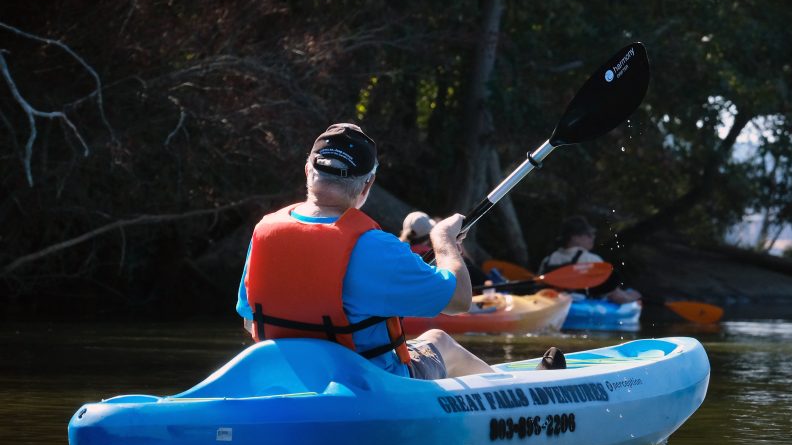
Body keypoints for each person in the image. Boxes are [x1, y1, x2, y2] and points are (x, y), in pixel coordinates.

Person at [236, 123, 565, 376]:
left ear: (308, 170)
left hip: (290, 377)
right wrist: (444, 241)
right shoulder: (373, 246)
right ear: (367, 185)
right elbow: (460, 300)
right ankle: (512, 396)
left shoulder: (264, 232)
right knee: (437, 341)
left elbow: (252, 324)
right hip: (372, 384)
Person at [538, 215, 641, 304]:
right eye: (589, 234)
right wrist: (634, 297)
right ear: (575, 237)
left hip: (550, 303)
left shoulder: (547, 260)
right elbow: (615, 296)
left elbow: (540, 288)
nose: (593, 237)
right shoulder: (591, 260)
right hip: (578, 307)